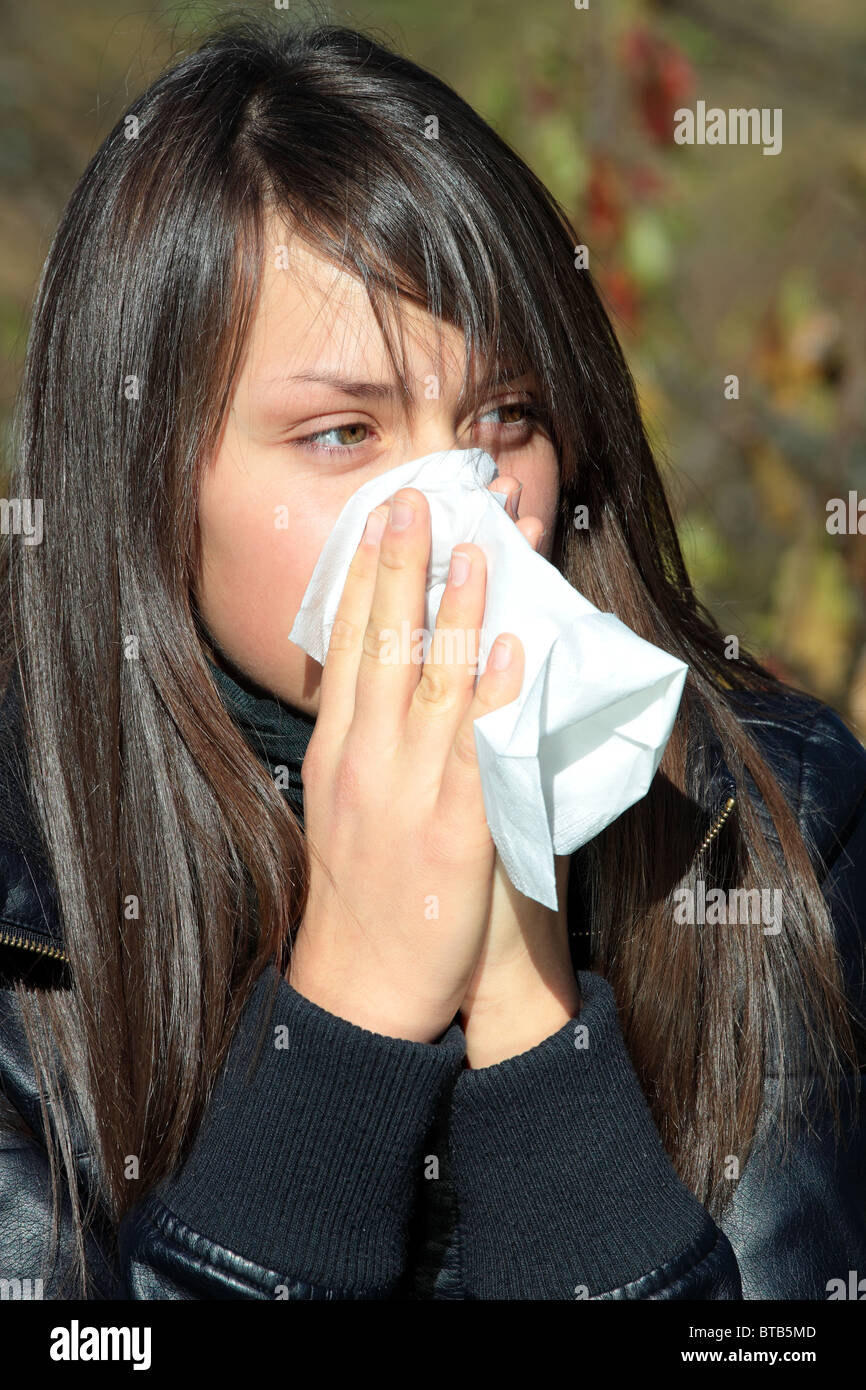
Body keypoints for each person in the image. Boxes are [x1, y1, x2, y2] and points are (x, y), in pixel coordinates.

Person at [0, 16, 863, 1302]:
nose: (458, 501)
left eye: (501, 417)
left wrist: (527, 1011)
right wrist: (345, 1020)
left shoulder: (760, 821)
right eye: (343, 432)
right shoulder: (32, 902)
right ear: (146, 485)